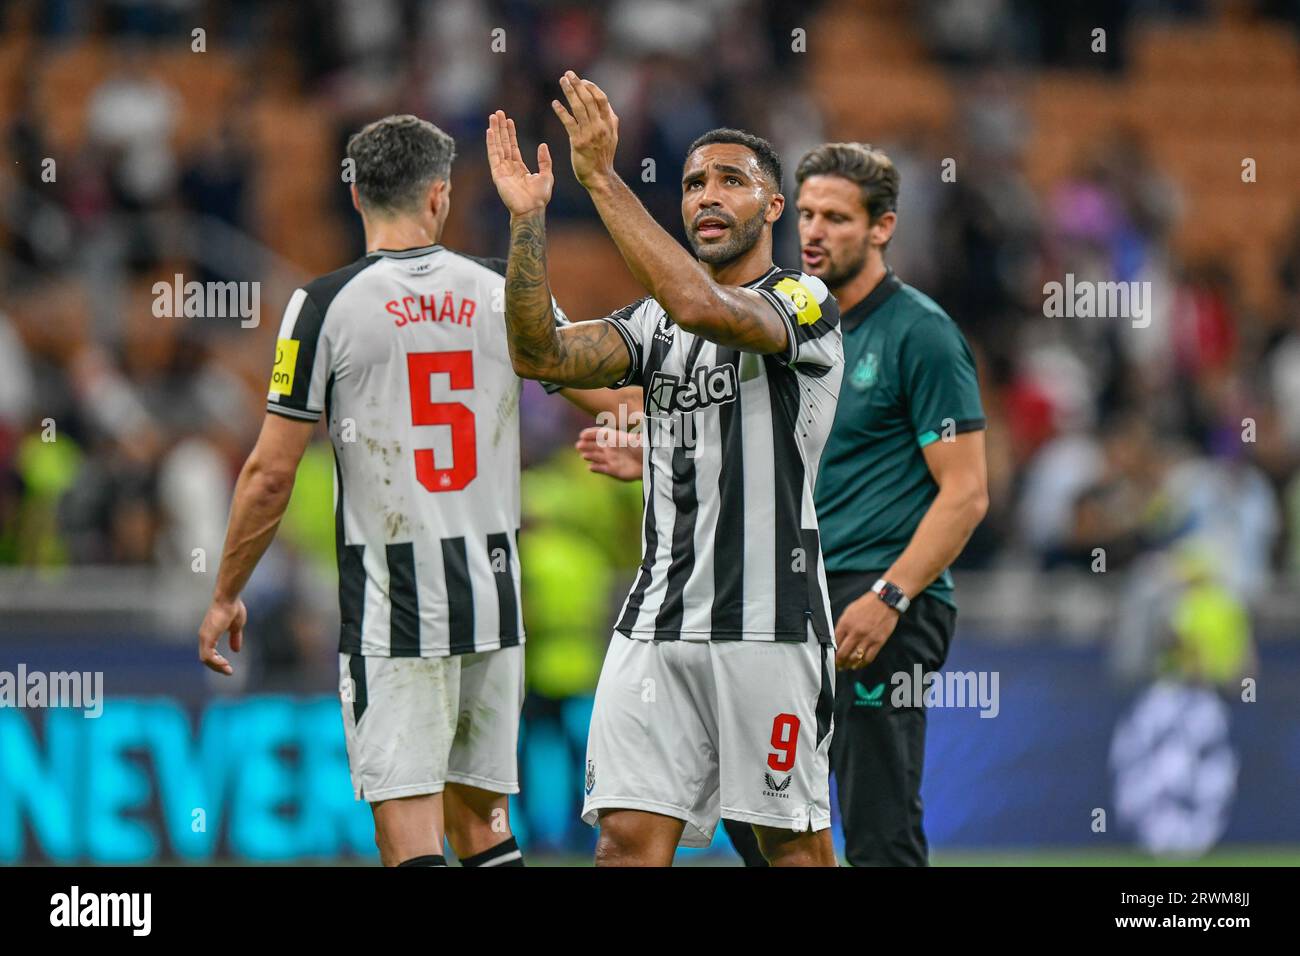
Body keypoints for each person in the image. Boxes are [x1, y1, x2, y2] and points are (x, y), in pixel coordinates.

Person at [197, 114, 622, 868]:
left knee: (409, 835)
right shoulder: (501, 287)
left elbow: (270, 474)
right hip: (494, 601)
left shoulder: (324, 305)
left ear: (356, 196)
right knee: (483, 827)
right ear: (441, 196)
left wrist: (227, 589)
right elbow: (609, 395)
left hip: (396, 608)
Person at [579, 143, 989, 866]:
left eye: (836, 216)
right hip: (787, 593)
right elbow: (735, 447)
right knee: (763, 821)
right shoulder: (775, 317)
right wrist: (649, 453)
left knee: (876, 822)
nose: (816, 231)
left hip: (878, 591)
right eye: (806, 214)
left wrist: (892, 594)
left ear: (882, 228)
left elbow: (967, 491)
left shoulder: (918, 333)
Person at [485, 71, 843, 866]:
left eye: (731, 181)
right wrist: (529, 223)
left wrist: (603, 179)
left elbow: (705, 309)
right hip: (657, 618)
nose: (707, 196)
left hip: (769, 624)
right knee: (624, 841)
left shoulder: (806, 302)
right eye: (692, 184)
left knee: (789, 850)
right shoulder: (652, 322)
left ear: (774, 208)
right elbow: (539, 353)